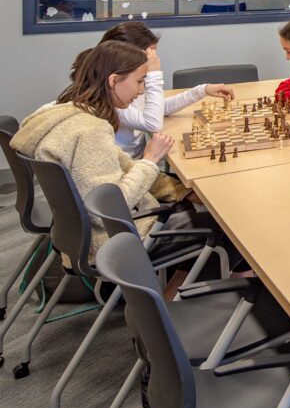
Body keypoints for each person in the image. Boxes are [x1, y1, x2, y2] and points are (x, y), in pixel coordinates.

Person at [12, 41, 176, 256]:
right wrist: (150, 160)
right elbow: (107, 210)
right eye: (139, 81)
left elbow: (123, 166)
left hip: (77, 235)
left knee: (188, 206)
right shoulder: (90, 131)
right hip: (113, 241)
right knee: (212, 225)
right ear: (114, 80)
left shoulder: (70, 116)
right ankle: (168, 280)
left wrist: (181, 191)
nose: (141, 90)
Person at [84, 22, 234, 157]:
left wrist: (202, 91)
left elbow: (158, 108)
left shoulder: (126, 87)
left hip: (138, 164)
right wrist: (154, 75)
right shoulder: (111, 99)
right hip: (131, 168)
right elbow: (153, 123)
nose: (154, 60)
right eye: (150, 55)